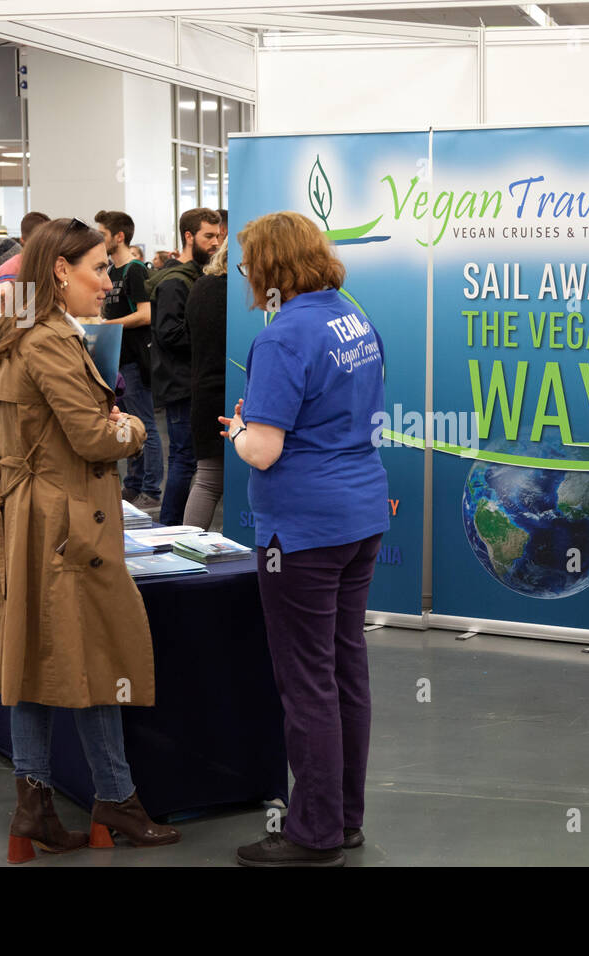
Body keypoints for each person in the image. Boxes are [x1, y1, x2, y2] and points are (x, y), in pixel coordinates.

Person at [0, 217, 179, 861]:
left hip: (45, 521)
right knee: (91, 654)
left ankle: (39, 808)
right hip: (64, 524)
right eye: (98, 268)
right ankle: (109, 800)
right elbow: (96, 438)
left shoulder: (34, 337)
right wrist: (135, 432)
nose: (109, 280)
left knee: (39, 658)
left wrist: (112, 423)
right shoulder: (50, 344)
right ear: (60, 271)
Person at [221, 212, 389, 867]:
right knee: (346, 670)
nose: (242, 273)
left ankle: (313, 832)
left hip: (303, 528)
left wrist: (236, 431)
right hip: (358, 514)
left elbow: (262, 451)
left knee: (307, 683)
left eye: (247, 263)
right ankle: (343, 818)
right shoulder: (352, 319)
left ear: (269, 268)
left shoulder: (283, 335)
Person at [150, 207, 220, 526]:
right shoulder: (175, 282)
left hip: (190, 380)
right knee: (183, 461)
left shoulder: (198, 277)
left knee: (189, 462)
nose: (216, 242)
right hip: (179, 384)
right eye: (209, 236)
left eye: (219, 236)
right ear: (189, 237)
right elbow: (169, 334)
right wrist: (207, 335)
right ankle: (167, 529)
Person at [95, 209, 161, 509]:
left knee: (145, 423)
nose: (99, 239)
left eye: (103, 234)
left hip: (135, 360)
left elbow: (146, 314)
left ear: (118, 237)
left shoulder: (135, 270)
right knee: (124, 421)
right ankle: (133, 485)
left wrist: (106, 327)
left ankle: (151, 487)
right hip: (116, 361)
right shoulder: (109, 273)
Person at [183, 242, 228, 529]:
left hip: (203, 393)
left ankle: (184, 557)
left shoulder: (200, 287)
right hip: (233, 394)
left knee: (208, 480)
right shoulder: (241, 292)